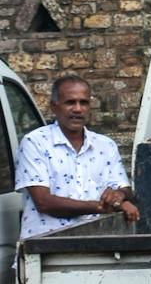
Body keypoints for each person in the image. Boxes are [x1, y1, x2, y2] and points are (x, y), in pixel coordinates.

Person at [16, 75, 140, 240]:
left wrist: (119, 196)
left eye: (84, 102)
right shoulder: (35, 142)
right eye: (70, 102)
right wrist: (103, 207)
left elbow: (124, 189)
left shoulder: (105, 145)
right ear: (54, 106)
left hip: (98, 242)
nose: (78, 109)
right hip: (45, 245)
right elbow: (43, 202)